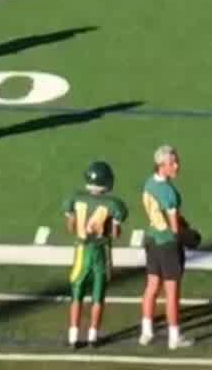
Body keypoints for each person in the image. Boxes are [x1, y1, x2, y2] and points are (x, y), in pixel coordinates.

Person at [63, 160, 127, 348]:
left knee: (76, 295)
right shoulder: (114, 204)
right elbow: (115, 234)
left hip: (81, 251)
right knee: (98, 296)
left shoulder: (75, 198)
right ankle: (93, 335)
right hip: (100, 251)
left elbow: (70, 227)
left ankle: (73, 336)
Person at [137, 145, 187, 349]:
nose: (177, 165)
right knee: (171, 291)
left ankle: (146, 330)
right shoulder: (169, 192)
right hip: (166, 243)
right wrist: (187, 233)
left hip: (151, 239)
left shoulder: (149, 183)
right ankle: (174, 336)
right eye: (172, 163)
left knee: (151, 287)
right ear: (161, 165)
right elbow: (175, 227)